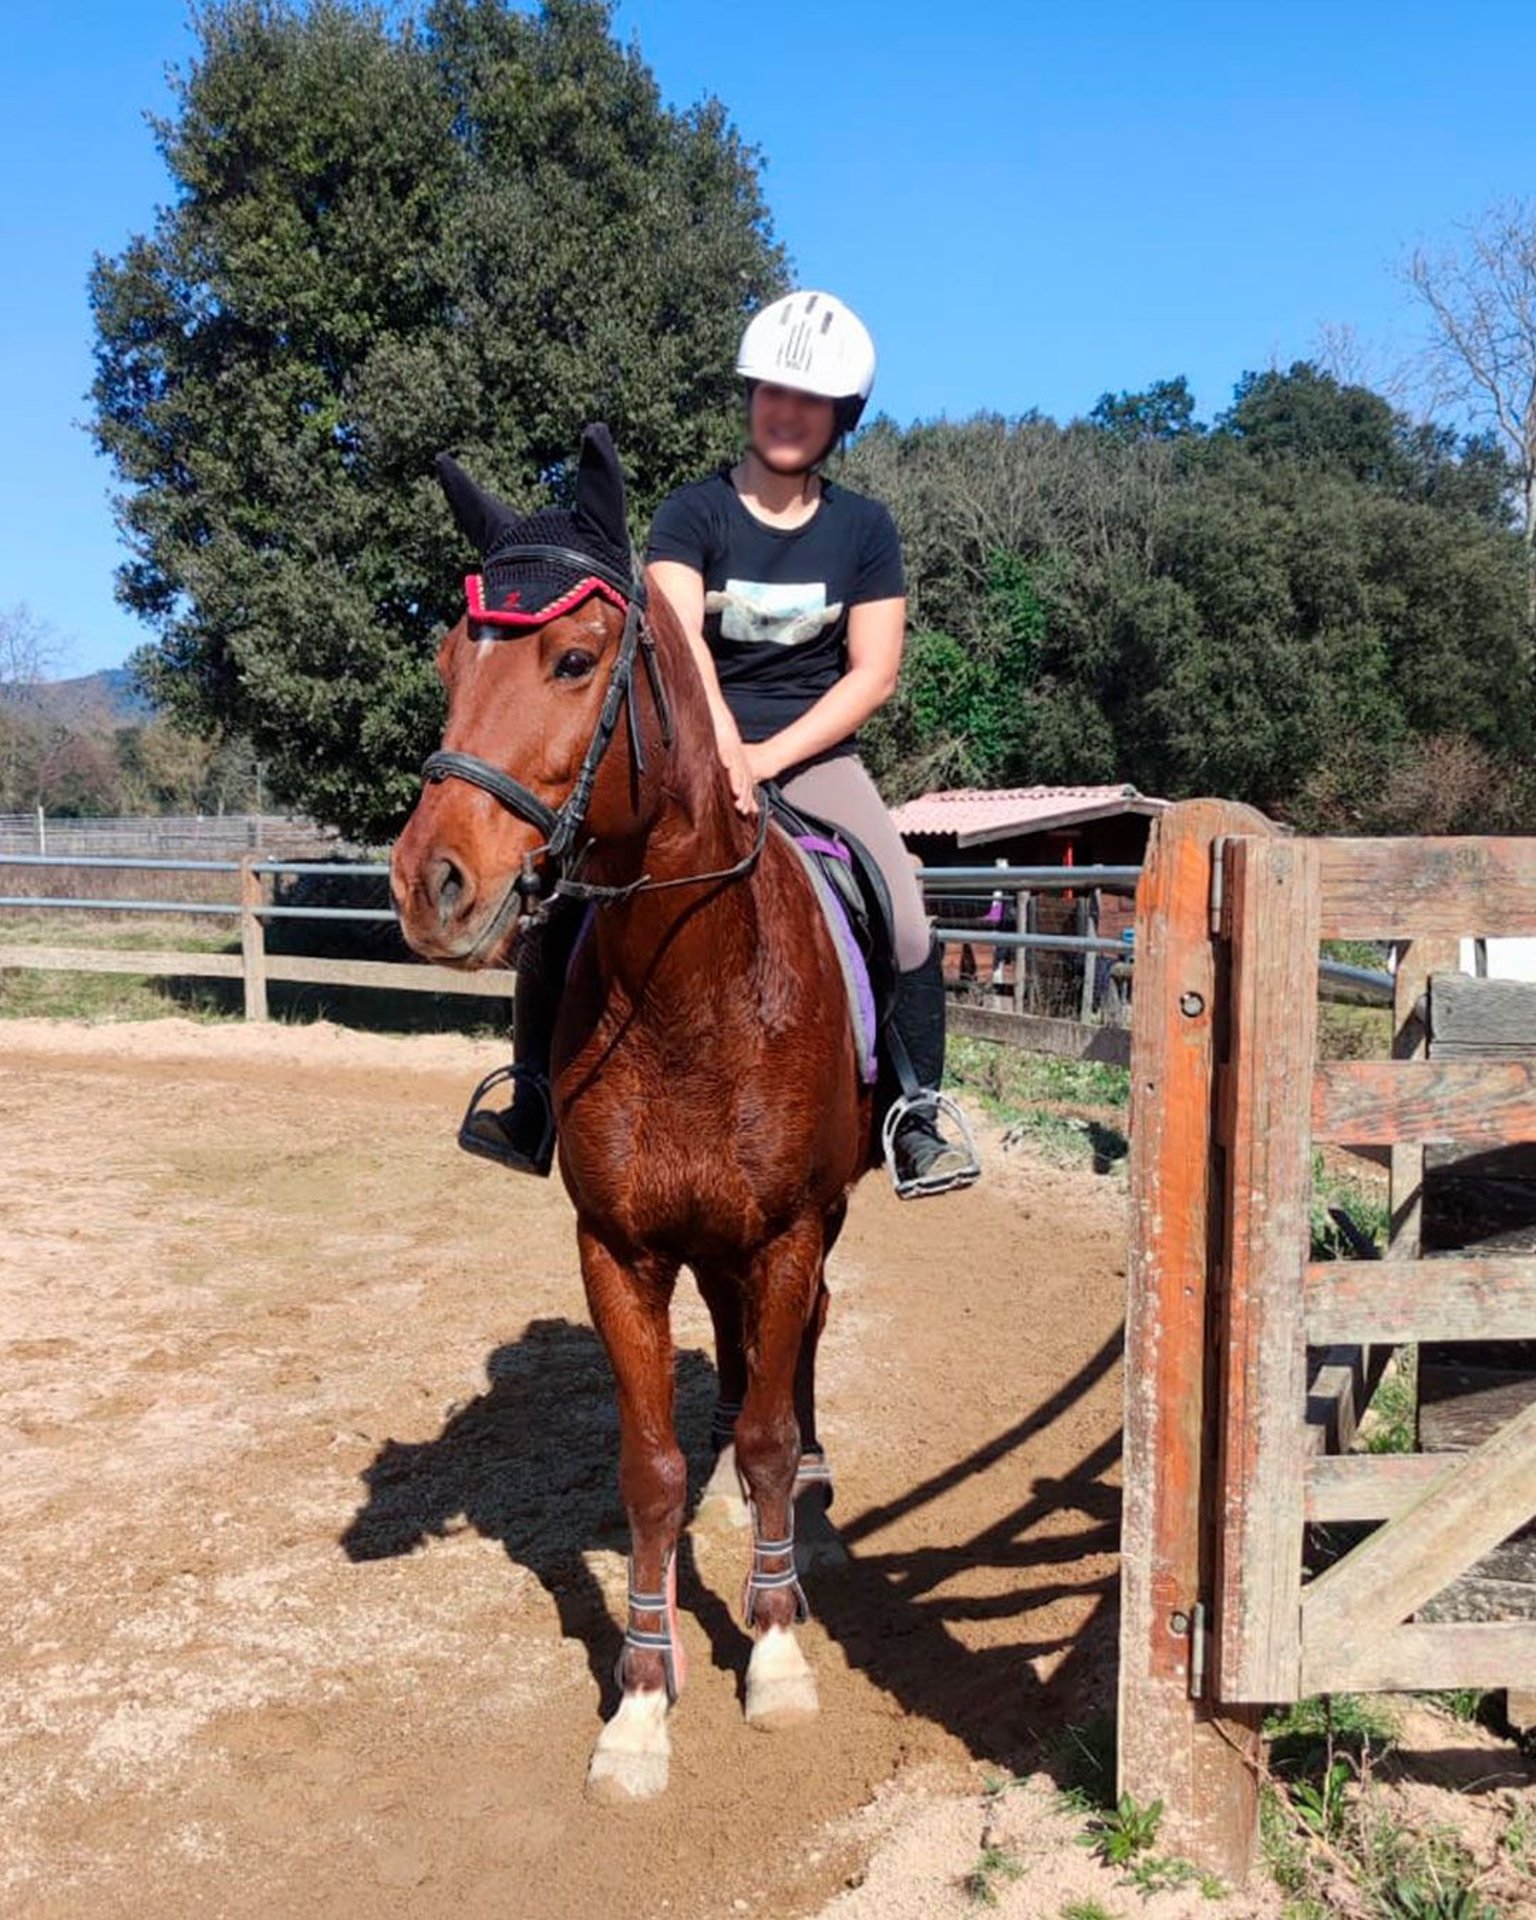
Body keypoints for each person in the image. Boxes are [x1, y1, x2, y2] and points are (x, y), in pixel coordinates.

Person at [461, 289, 979, 1197]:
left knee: (902, 910)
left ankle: (914, 1113)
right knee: (564, 905)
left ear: (838, 420)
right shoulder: (693, 514)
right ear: (750, 399)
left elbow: (872, 674)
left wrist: (771, 761)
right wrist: (726, 753)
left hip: (816, 758)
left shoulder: (865, 531)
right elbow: (678, 638)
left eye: (810, 402)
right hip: (689, 750)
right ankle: (534, 1096)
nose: (787, 413)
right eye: (774, 393)